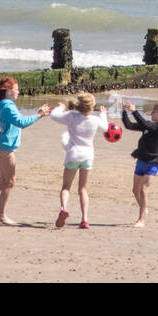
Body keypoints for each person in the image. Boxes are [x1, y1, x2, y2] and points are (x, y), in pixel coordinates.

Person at [0, 78, 50, 225]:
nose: (18, 91)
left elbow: (19, 120)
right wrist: (39, 115)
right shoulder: (8, 107)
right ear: (8, 91)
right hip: (6, 148)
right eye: (16, 88)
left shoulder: (7, 106)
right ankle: (0, 215)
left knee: (3, 182)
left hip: (4, 147)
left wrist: (38, 114)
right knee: (9, 182)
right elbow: (21, 122)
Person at [48, 93, 108, 229]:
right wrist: (103, 114)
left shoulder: (71, 116)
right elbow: (105, 127)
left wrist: (61, 108)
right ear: (92, 107)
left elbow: (54, 116)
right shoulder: (95, 119)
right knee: (83, 189)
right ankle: (85, 219)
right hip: (88, 156)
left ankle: (64, 208)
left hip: (73, 154)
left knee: (66, 187)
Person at [121, 101, 158, 227]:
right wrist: (124, 111)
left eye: (154, 112)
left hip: (153, 162)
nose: (152, 114)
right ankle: (144, 208)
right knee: (135, 190)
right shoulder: (149, 126)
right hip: (141, 161)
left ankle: (141, 220)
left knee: (143, 190)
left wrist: (134, 111)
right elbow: (129, 125)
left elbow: (144, 123)